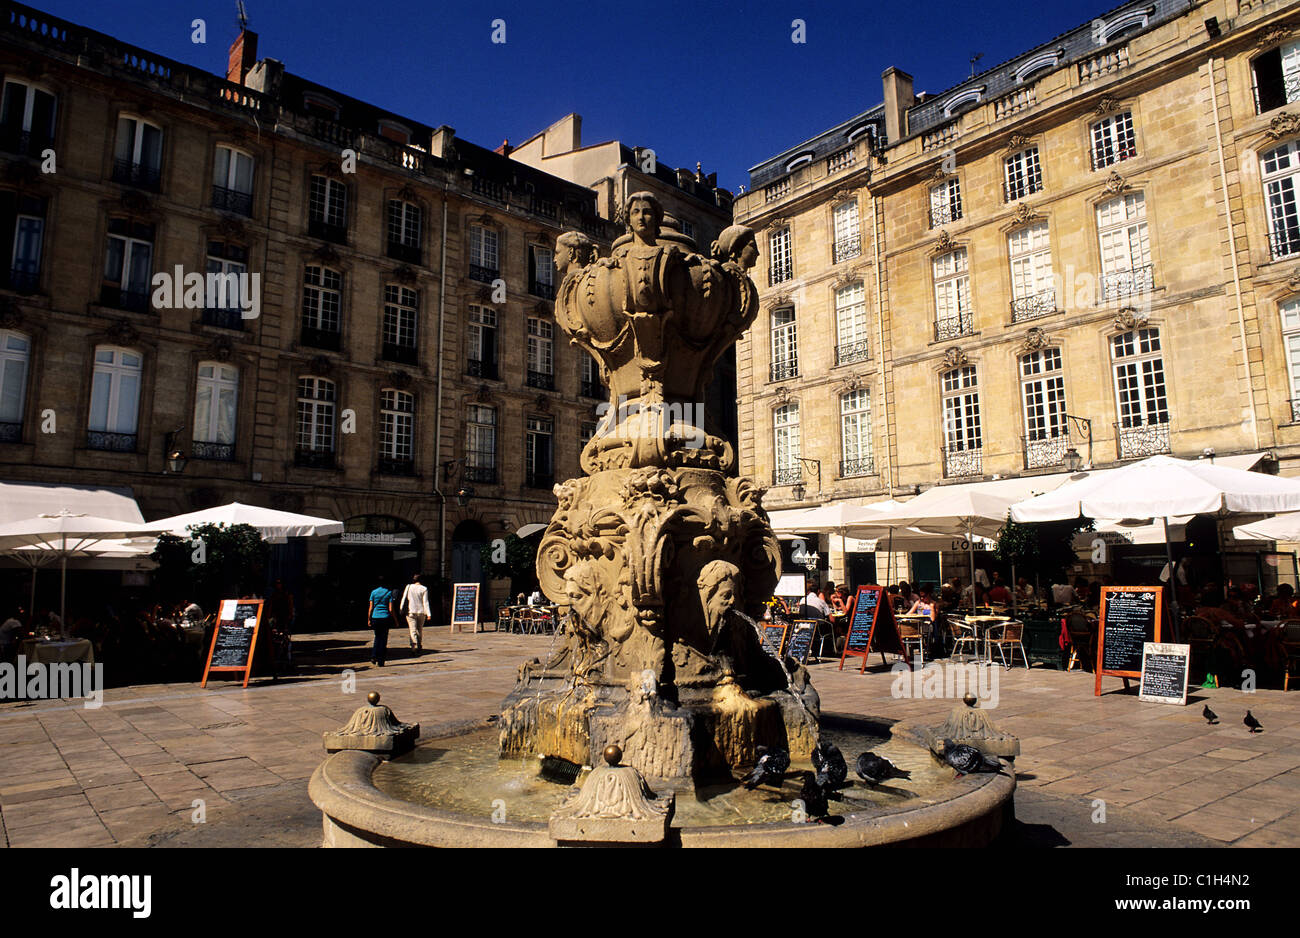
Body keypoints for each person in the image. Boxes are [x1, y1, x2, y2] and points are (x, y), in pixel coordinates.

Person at [367, 576, 397, 667]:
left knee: (377, 637)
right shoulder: (389, 593)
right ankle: (381, 660)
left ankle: (374, 655)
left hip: (375, 617)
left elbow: (371, 608)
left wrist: (369, 619)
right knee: (383, 639)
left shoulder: (373, 592)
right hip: (385, 618)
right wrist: (395, 620)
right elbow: (391, 609)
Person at [401, 573, 432, 653]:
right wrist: (429, 614)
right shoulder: (424, 588)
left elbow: (404, 598)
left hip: (410, 611)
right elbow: (425, 602)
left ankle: (413, 646)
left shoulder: (408, 587)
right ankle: (419, 644)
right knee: (419, 629)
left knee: (412, 629)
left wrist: (401, 609)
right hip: (421, 612)